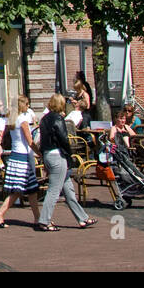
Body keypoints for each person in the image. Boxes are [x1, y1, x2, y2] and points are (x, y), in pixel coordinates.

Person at [36, 93, 95, 231]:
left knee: (68, 189)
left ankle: (83, 218)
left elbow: (43, 139)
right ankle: (44, 221)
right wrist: (69, 154)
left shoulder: (44, 119)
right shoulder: (58, 118)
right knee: (54, 190)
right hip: (57, 155)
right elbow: (63, 138)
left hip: (47, 154)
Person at [0, 96, 40, 228]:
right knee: (19, 189)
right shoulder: (22, 120)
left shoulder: (11, 119)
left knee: (31, 189)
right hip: (23, 156)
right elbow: (30, 141)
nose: (28, 106)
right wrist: (40, 153)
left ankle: (38, 218)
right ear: (21, 105)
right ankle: (0, 213)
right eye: (27, 104)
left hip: (15, 155)